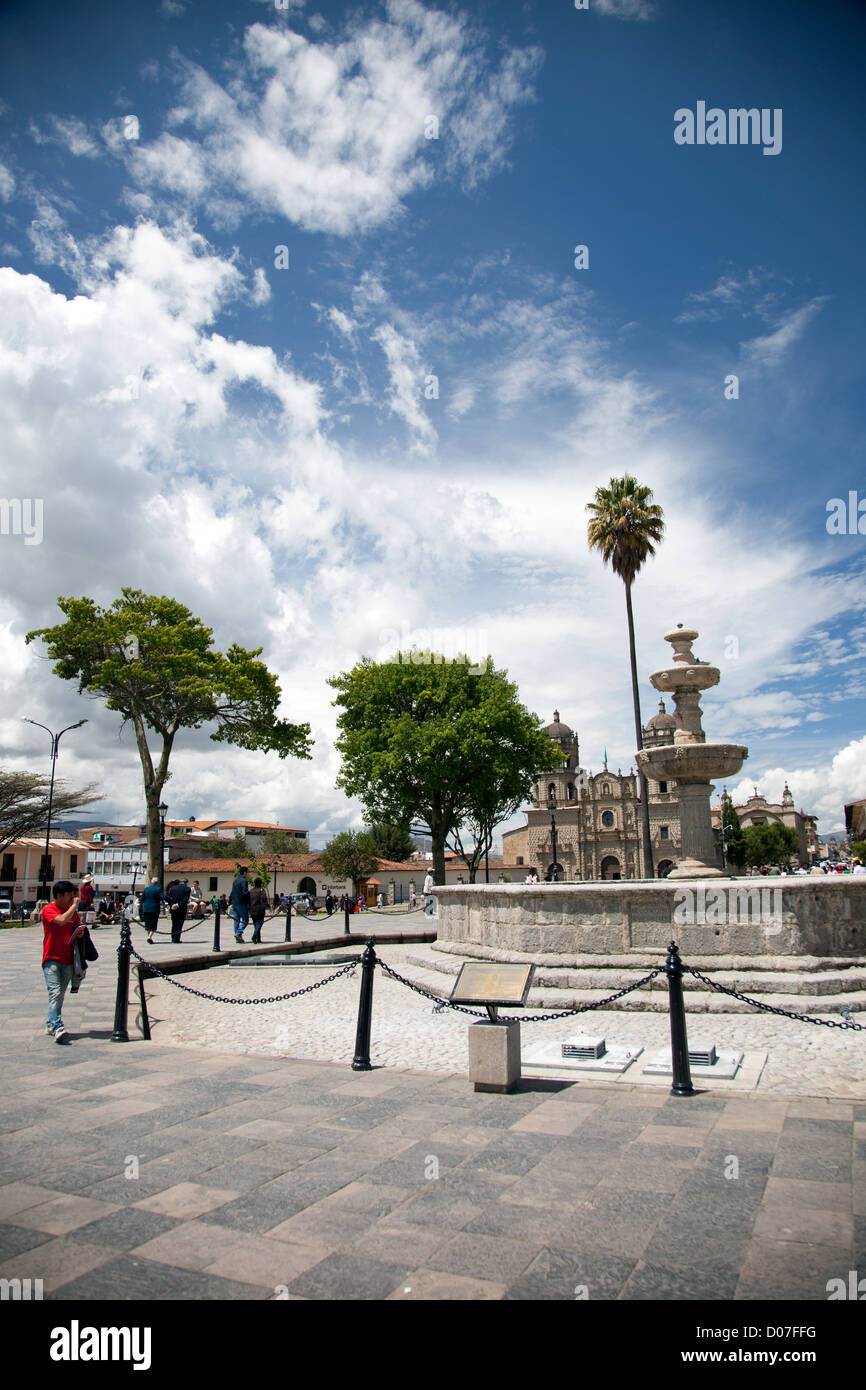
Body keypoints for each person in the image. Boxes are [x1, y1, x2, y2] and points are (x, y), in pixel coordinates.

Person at [42, 880, 87, 1044]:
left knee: (59, 994)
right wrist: (74, 907)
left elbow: (75, 927)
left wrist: (80, 933)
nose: (72, 898)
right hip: (51, 959)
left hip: (68, 959)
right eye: (69, 895)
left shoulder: (72, 913)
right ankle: (57, 1027)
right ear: (59, 896)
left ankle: (50, 1023)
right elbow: (60, 921)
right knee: (54, 992)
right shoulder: (48, 909)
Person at [139, 878, 163, 944]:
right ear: (157, 882)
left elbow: (142, 899)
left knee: (148, 924)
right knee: (153, 924)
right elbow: (162, 897)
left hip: (146, 909)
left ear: (151, 882)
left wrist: (142, 904)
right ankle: (149, 937)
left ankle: (149, 936)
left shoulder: (146, 889)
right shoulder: (158, 889)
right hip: (154, 909)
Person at [230, 865, 250, 942]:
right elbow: (245, 892)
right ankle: (238, 933)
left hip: (234, 902)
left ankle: (237, 937)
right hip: (241, 902)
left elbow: (232, 892)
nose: (248, 874)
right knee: (245, 919)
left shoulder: (235, 881)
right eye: (247, 872)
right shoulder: (244, 881)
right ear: (244, 873)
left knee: (236, 920)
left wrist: (231, 901)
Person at [166, 878, 191, 943]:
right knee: (179, 924)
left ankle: (173, 938)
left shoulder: (172, 888)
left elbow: (168, 898)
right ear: (186, 883)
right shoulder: (187, 889)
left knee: (174, 923)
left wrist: (172, 905)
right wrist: (178, 905)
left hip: (173, 908)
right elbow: (186, 899)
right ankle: (177, 939)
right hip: (181, 908)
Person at [250, 877, 268, 944]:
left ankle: (258, 938)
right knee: (259, 923)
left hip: (252, 909)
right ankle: (255, 935)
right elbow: (264, 899)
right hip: (260, 909)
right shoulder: (261, 890)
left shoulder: (251, 891)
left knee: (255, 924)